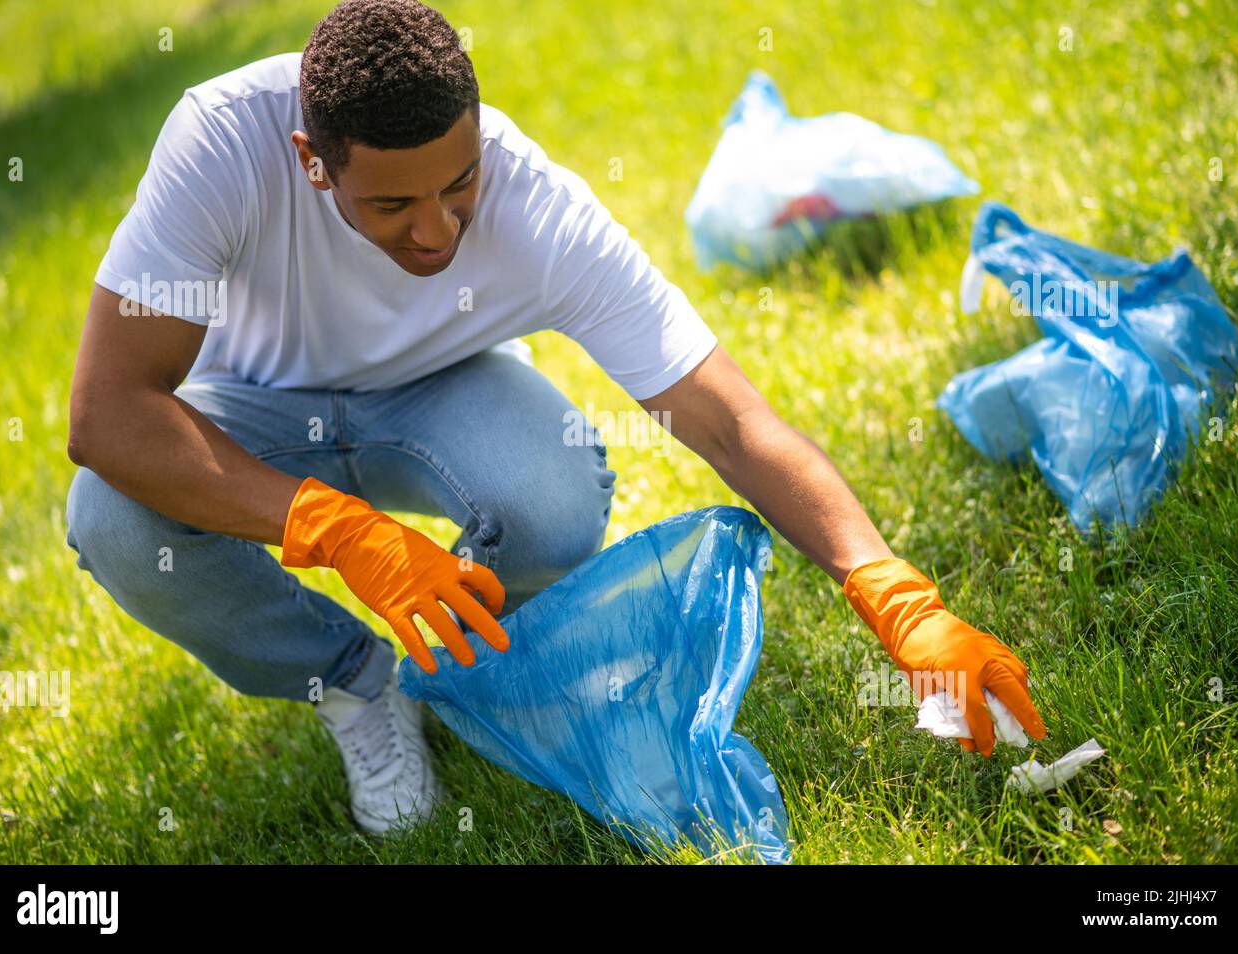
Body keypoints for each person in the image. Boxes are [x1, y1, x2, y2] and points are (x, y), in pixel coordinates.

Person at [64, 0, 1045, 837]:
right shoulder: (221, 141)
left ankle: (483, 663)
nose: (439, 232)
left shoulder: (540, 213)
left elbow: (730, 422)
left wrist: (893, 594)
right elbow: (109, 416)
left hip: (438, 390)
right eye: (394, 204)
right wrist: (337, 530)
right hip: (252, 409)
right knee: (112, 515)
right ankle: (355, 681)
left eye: (458, 185)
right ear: (310, 163)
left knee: (556, 489)